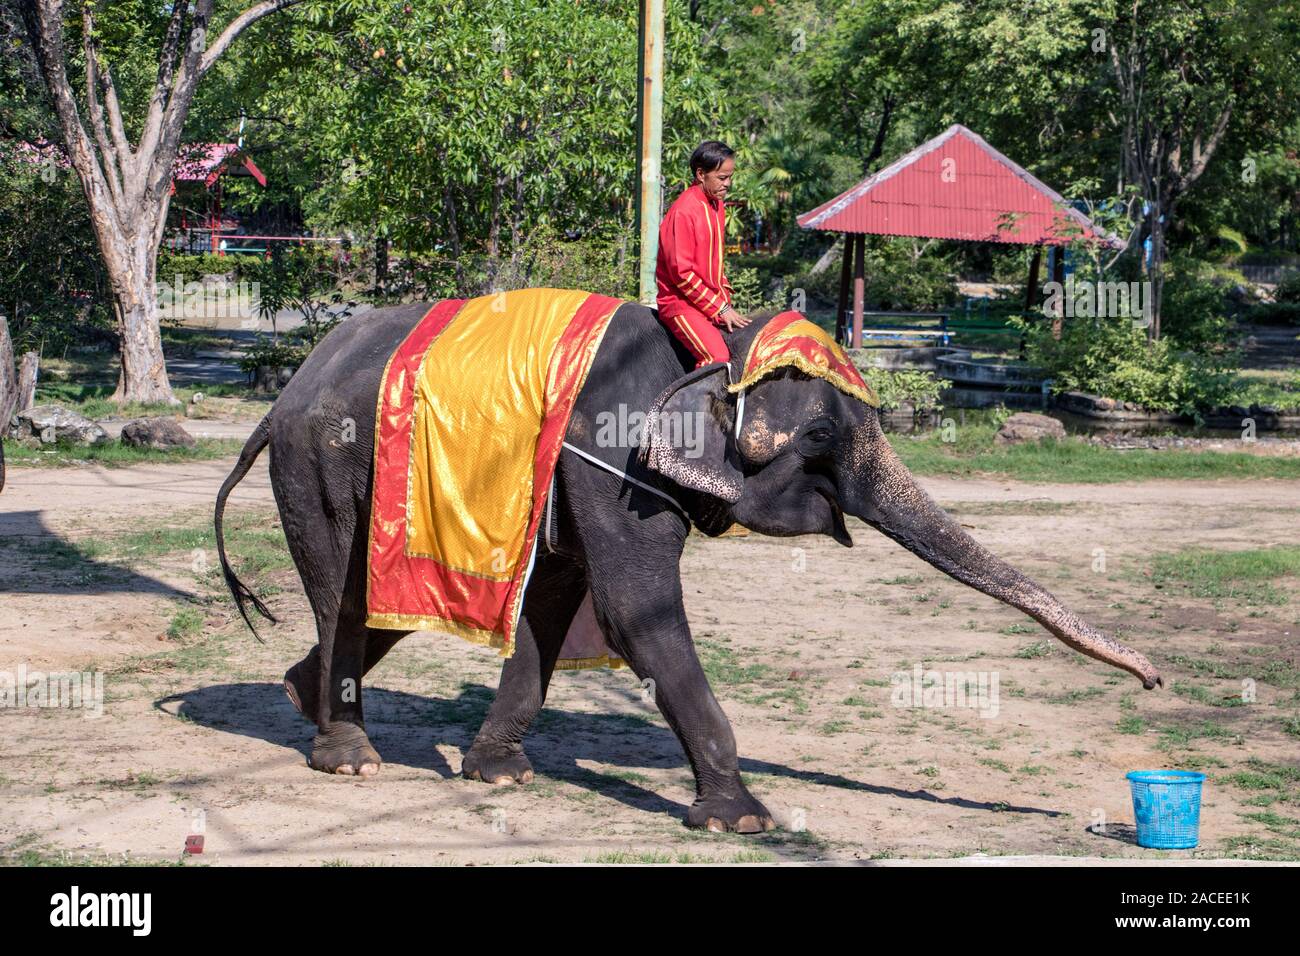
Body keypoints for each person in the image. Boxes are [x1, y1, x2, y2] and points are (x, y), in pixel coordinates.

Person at [655, 140, 750, 367]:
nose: (728, 183)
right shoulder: (684, 211)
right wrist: (722, 308)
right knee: (717, 358)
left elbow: (714, 265)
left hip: (709, 302)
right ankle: (687, 404)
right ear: (700, 174)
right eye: (722, 177)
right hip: (680, 304)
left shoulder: (716, 205)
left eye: (730, 177)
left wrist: (725, 300)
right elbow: (682, 274)